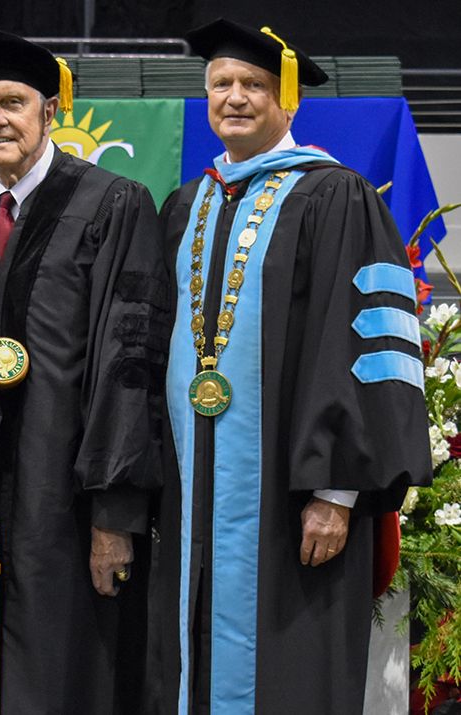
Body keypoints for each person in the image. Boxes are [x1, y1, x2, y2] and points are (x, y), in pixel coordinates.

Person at [147, 18, 432, 714]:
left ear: (289, 99)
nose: (234, 97)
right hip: (197, 498)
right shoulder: (190, 202)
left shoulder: (336, 195)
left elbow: (365, 344)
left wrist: (337, 493)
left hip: (295, 500)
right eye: (220, 83)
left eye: (253, 84)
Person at [0, 29, 166, 714]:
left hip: (66, 499)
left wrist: (114, 515)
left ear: (49, 113)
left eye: (13, 102)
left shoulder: (114, 205)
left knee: (63, 669)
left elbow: (129, 363)